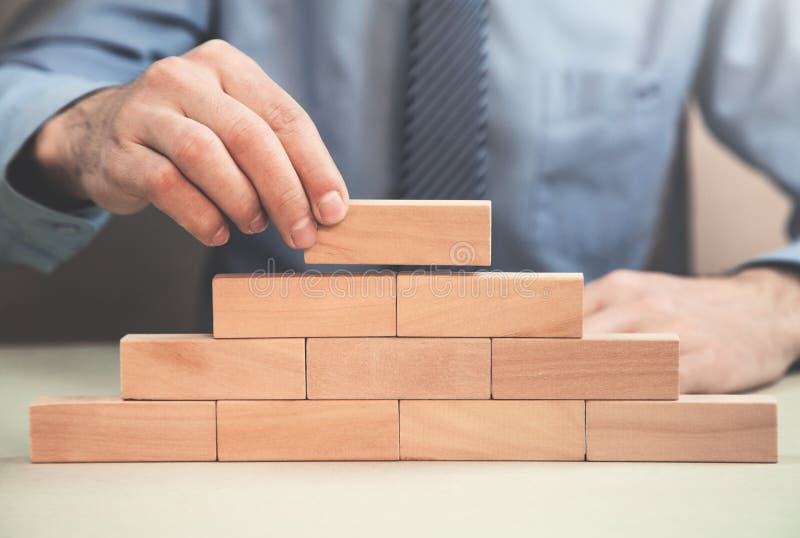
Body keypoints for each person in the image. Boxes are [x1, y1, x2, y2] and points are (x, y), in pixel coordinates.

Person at [0, 0, 798, 393]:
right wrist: (85, 127)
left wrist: (776, 301)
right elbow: (23, 85)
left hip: (594, 420)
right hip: (268, 420)